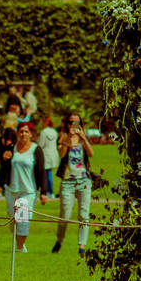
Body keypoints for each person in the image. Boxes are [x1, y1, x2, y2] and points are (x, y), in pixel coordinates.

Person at [52, 110, 94, 258]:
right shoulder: (63, 137)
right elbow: (62, 154)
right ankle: (60, 240)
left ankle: (82, 246)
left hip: (83, 180)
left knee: (84, 214)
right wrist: (68, 139)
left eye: (76, 122)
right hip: (68, 181)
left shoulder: (83, 137)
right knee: (65, 214)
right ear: (66, 123)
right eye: (70, 122)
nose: (73, 125)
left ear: (80, 123)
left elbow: (91, 154)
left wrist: (83, 138)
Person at [5, 121, 48, 252]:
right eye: (21, 131)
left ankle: (19, 248)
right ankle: (20, 243)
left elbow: (41, 170)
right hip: (12, 190)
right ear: (18, 133)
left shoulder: (36, 149)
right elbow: (4, 166)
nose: (23, 134)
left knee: (23, 219)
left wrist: (44, 192)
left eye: (26, 131)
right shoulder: (12, 147)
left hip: (28, 192)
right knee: (13, 221)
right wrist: (4, 158)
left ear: (31, 134)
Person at [0, 120, 18, 199]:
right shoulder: (10, 131)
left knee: (4, 175)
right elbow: (8, 143)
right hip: (7, 158)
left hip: (4, 157)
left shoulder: (5, 132)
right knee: (3, 175)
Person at [38, 114, 59, 197]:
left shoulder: (43, 132)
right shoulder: (54, 131)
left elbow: (41, 144)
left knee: (46, 174)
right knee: (49, 172)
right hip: (53, 154)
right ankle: (50, 191)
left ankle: (48, 191)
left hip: (45, 154)